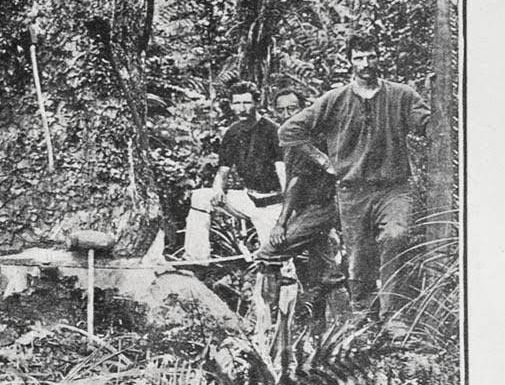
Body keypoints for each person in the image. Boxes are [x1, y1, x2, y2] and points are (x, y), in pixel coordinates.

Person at [278, 32, 430, 328]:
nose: (365, 63)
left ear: (378, 56)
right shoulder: (335, 100)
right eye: (358, 57)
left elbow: (427, 125)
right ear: (349, 61)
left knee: (395, 236)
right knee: (358, 259)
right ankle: (363, 318)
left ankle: (393, 317)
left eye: (370, 56)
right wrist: (323, 160)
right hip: (352, 191)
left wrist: (432, 97)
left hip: (393, 188)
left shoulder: (401, 94)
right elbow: (289, 131)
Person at [254, 86, 344, 329]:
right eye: (281, 110)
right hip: (312, 210)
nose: (286, 114)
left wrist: (281, 223)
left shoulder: (306, 140)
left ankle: (269, 323)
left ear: (304, 109)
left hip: (319, 208)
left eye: (292, 108)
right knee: (316, 270)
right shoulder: (293, 138)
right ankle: (316, 329)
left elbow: (296, 183)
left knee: (268, 255)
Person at [183, 82, 285, 260]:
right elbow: (223, 170)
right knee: (200, 197)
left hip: (272, 205)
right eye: (237, 103)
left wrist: (284, 218)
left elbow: (283, 175)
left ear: (257, 103)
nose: (242, 108)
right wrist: (218, 189)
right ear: (231, 105)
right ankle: (196, 260)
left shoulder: (272, 130)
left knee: (275, 261)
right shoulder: (233, 133)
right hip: (248, 199)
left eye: (247, 103)